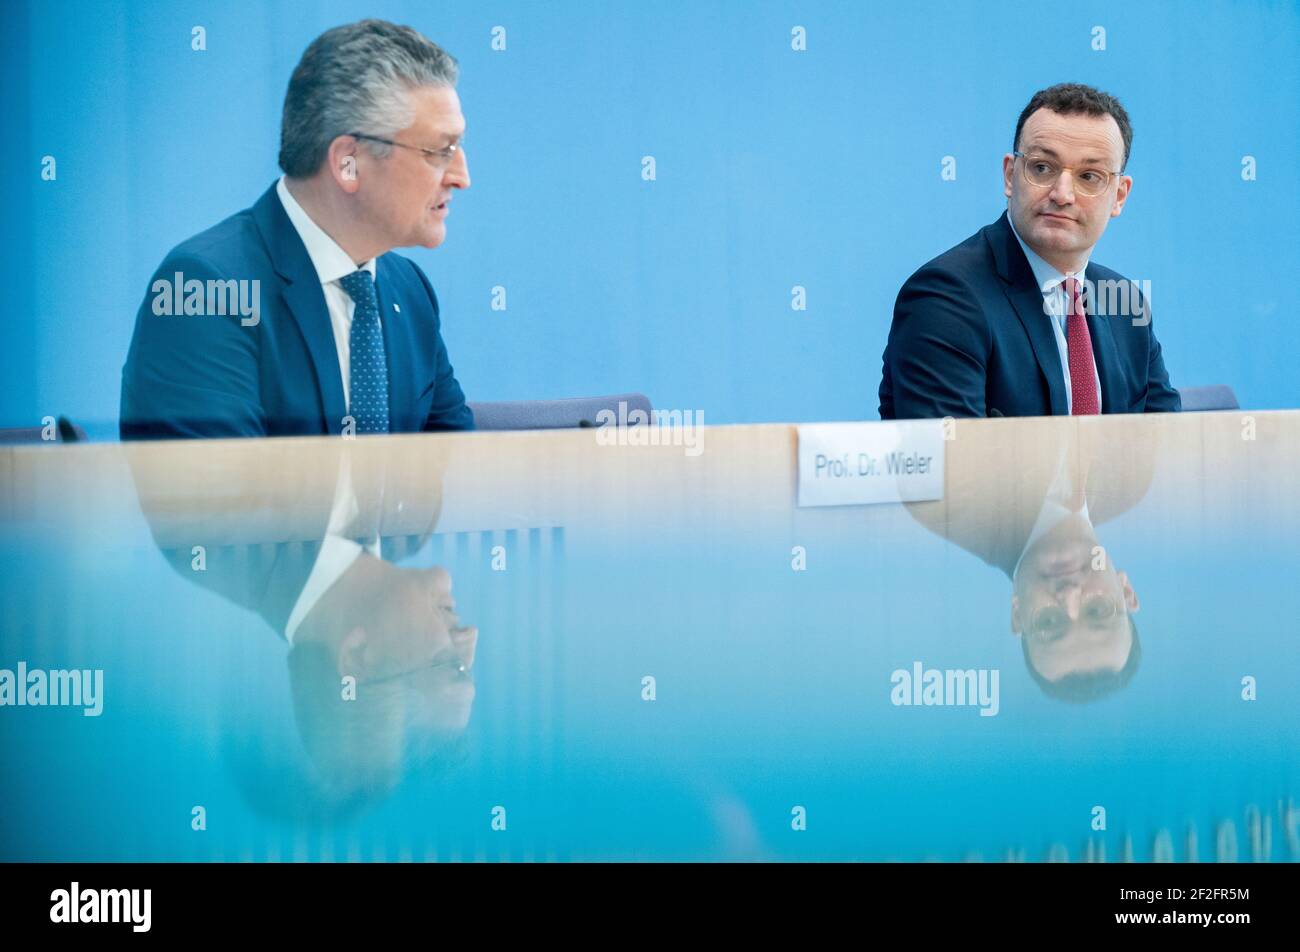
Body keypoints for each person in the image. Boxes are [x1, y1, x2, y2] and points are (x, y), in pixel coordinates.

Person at [121, 19, 475, 439]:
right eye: (440, 150)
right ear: (348, 161)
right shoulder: (204, 288)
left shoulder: (409, 290)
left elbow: (457, 473)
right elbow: (208, 499)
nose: (461, 175)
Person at [879, 83, 1180, 420]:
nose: (1062, 194)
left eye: (1089, 176)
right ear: (1011, 175)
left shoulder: (1124, 302)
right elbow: (954, 463)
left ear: (1120, 196)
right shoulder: (947, 297)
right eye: (1042, 168)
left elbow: (1166, 447)